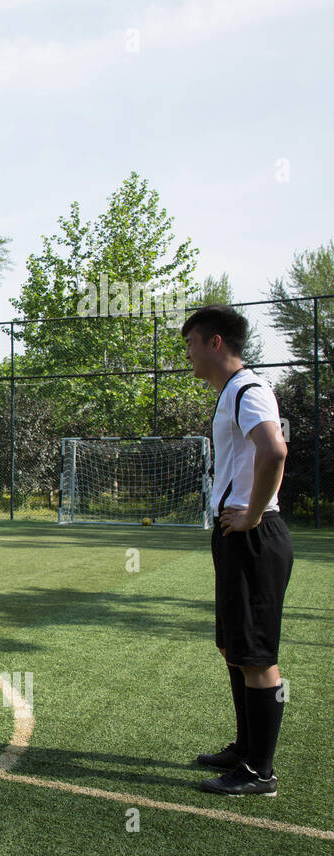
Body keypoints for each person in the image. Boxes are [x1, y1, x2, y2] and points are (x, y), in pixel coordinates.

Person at [182, 304, 292, 797]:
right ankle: (245, 750)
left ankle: (259, 773)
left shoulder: (248, 390)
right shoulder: (231, 393)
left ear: (215, 343)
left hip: (253, 536)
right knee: (235, 648)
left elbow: (274, 450)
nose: (187, 355)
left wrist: (252, 511)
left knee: (256, 655)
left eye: (189, 344)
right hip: (235, 536)